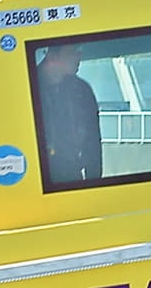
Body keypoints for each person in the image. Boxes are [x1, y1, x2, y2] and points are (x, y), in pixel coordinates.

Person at [34, 41, 104, 184]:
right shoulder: (27, 86)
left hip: (71, 175)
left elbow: (93, 143)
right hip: (34, 178)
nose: (79, 56)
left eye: (79, 50)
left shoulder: (82, 91)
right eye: (73, 51)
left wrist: (94, 183)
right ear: (52, 55)